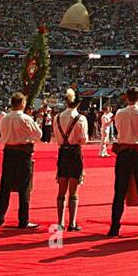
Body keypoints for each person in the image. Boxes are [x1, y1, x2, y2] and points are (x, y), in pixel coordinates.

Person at [108, 86, 138, 238]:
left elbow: (118, 129)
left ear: (126, 97)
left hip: (123, 153)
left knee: (120, 191)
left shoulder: (119, 113)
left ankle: (115, 227)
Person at [0, 92, 41, 229]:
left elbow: (2, 133)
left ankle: (0, 217)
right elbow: (38, 134)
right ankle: (23, 220)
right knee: (24, 188)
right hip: (23, 153)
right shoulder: (26, 118)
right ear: (21, 103)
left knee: (5, 187)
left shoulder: (5, 118)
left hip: (9, 152)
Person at [53, 89, 88, 233]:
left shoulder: (57, 117)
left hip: (62, 153)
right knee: (74, 190)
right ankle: (72, 223)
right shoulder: (81, 118)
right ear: (78, 103)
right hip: (74, 152)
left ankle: (60, 222)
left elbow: (56, 137)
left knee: (61, 189)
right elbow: (84, 140)